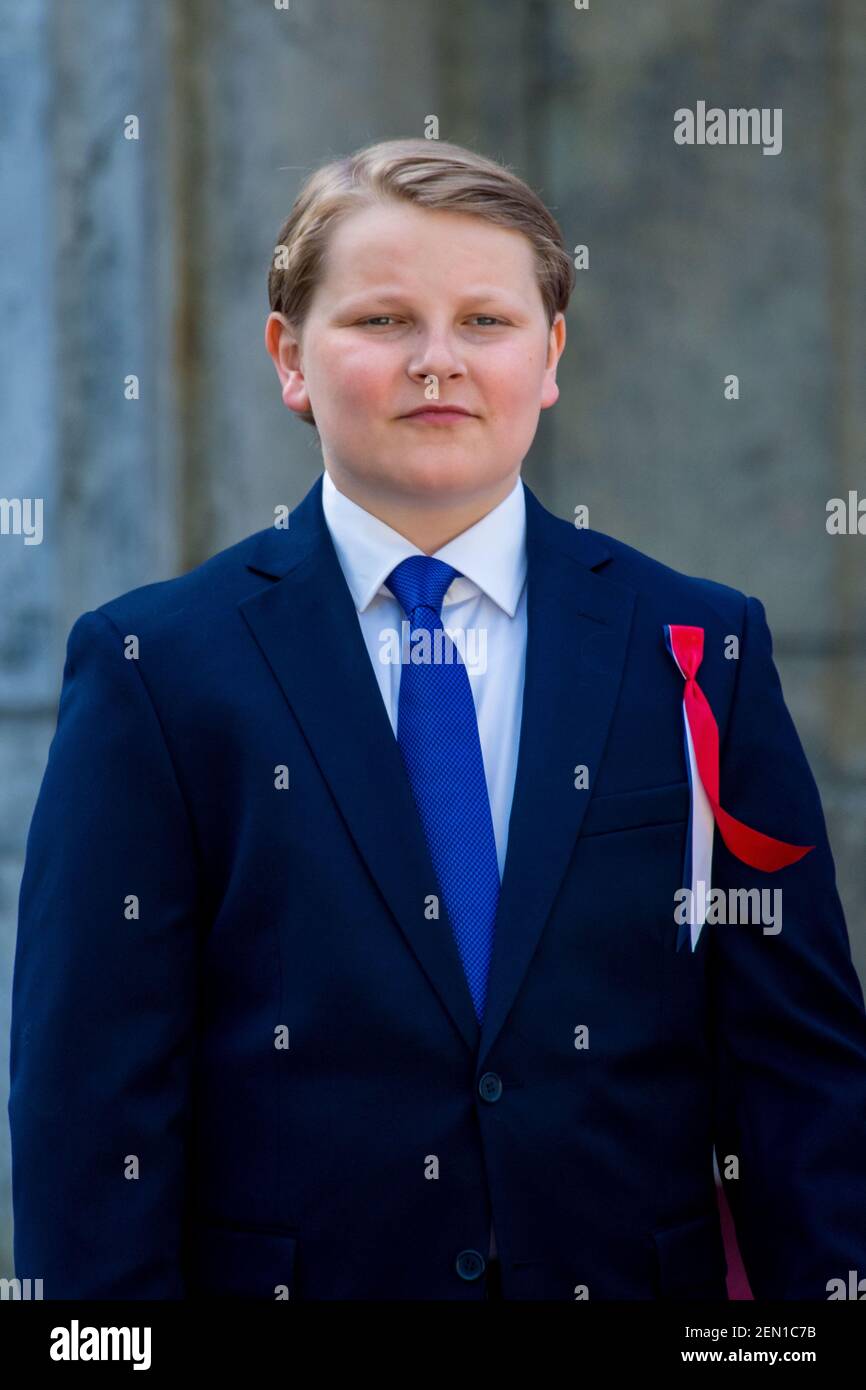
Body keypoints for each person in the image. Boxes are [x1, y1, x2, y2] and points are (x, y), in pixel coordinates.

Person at [9, 138, 866, 1300]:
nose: (434, 363)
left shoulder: (701, 649)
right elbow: (89, 1099)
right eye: (379, 321)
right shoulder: (155, 669)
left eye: (483, 322)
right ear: (289, 358)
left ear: (550, 354)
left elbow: (796, 1073)